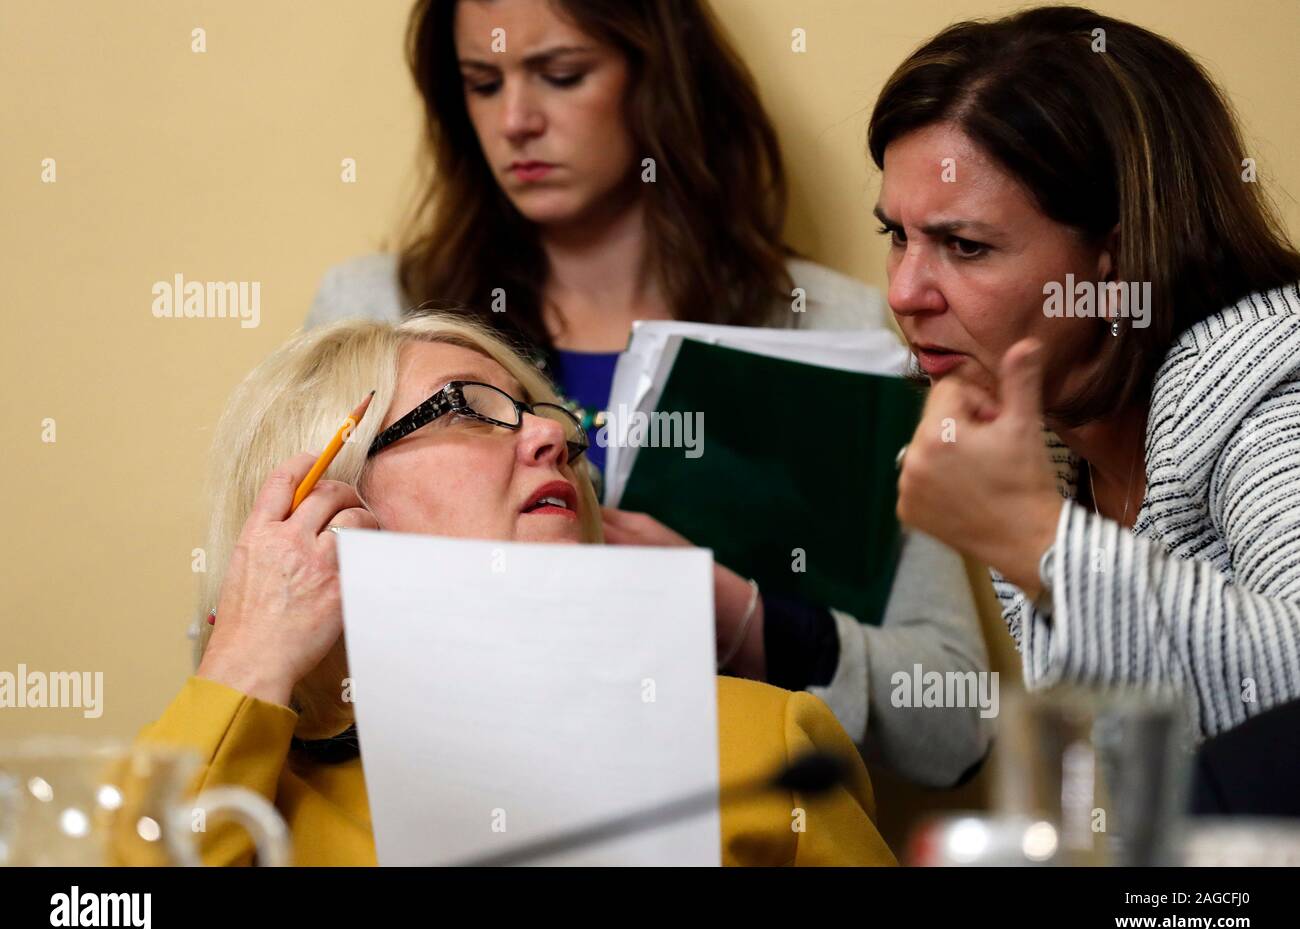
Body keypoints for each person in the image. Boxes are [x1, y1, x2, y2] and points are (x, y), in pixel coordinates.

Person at [305, 0, 991, 788]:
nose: (517, 120)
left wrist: (746, 623)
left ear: (659, 77)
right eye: (482, 83)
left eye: (561, 75)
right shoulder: (374, 315)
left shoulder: (834, 328)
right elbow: (248, 644)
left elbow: (957, 723)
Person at [139, 313, 897, 866]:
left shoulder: (763, 743)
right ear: (326, 496)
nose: (553, 439)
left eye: (548, 420)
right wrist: (246, 654)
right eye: (469, 407)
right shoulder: (250, 792)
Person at [872, 6, 1300, 740]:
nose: (905, 293)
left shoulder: (1270, 394)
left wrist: (1032, 540)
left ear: (1117, 259)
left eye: (965, 246)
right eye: (897, 236)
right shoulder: (1046, 444)